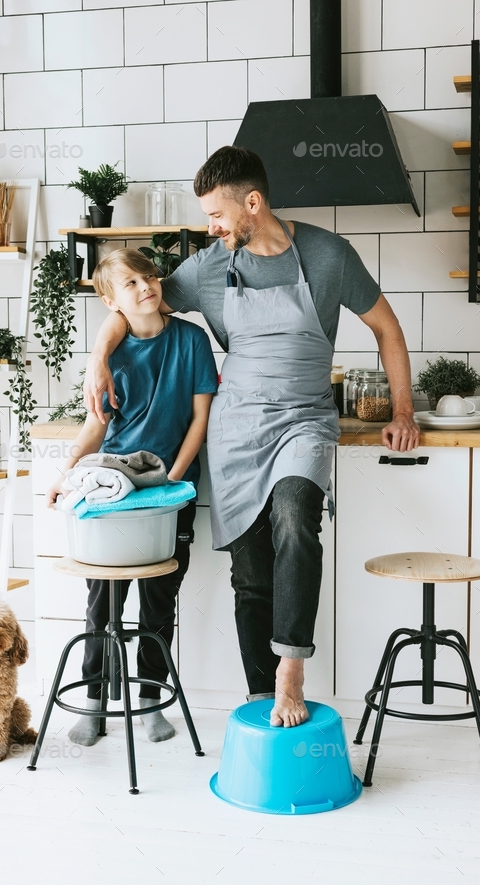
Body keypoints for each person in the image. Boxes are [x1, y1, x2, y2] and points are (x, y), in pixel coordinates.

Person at [85, 146, 420, 728]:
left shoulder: (328, 255)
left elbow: (387, 328)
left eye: (216, 215)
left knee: (296, 517)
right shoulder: (213, 266)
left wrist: (404, 410)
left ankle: (291, 671)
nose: (210, 228)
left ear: (253, 203)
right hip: (236, 429)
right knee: (251, 573)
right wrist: (98, 356)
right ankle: (260, 696)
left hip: (304, 420)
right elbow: (137, 299)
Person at [46, 248, 217, 745]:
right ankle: (95, 703)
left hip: (172, 486)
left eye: (149, 276)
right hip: (115, 487)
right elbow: (96, 428)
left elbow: (199, 420)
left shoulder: (192, 341)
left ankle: (149, 701)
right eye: (130, 283)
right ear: (110, 301)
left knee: (160, 602)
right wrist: (67, 471)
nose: (145, 287)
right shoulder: (111, 355)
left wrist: (172, 483)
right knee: (103, 602)